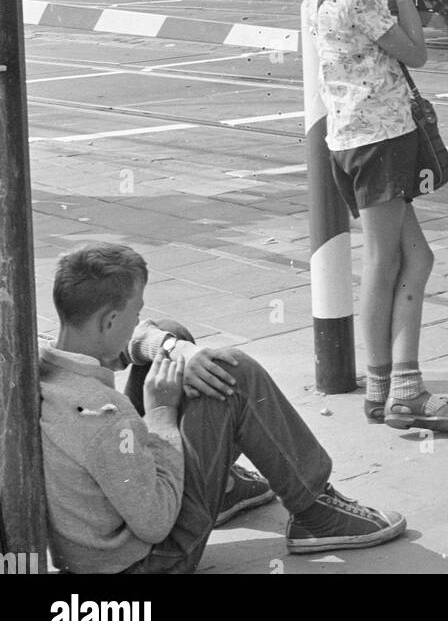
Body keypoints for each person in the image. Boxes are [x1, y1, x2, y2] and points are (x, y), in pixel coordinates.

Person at [39, 242, 407, 574]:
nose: (139, 321)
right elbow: (156, 521)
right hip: (152, 559)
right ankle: (315, 510)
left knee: (172, 336)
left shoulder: (43, 368)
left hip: (107, 528)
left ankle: (225, 487)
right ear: (109, 321)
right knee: (233, 372)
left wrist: (174, 349)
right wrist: (161, 416)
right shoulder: (103, 417)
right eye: (135, 313)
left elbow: (133, 339)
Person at [305, 0, 448, 433]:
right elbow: (419, 51)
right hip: (378, 142)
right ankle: (400, 391)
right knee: (383, 262)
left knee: (415, 258)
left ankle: (388, 387)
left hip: (361, 139)